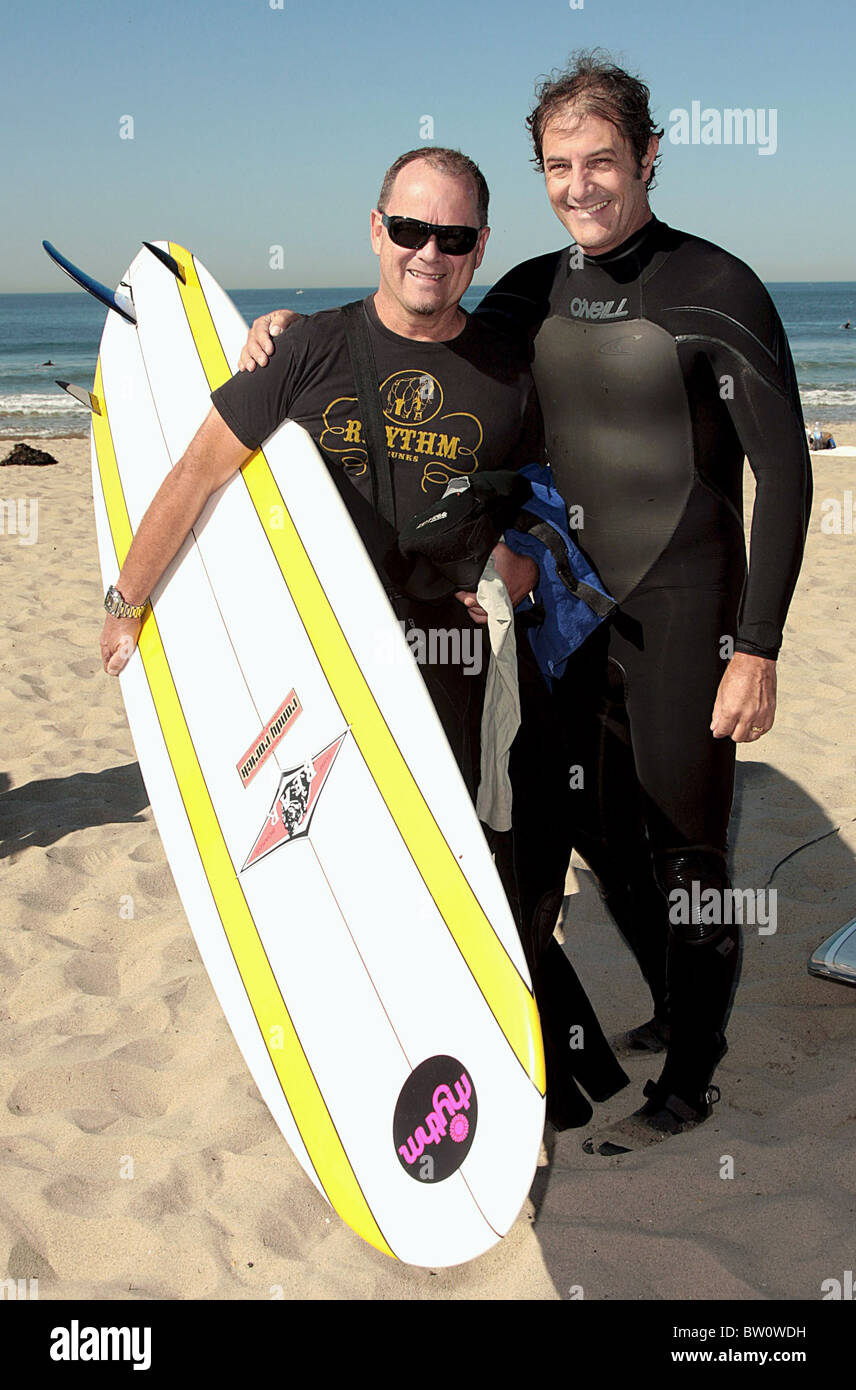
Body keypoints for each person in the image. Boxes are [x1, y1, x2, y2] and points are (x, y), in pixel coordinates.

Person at [243, 54, 813, 1154]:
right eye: (558, 164)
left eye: (602, 159)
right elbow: (418, 319)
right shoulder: (530, 290)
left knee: (685, 849)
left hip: (685, 609)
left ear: (648, 156)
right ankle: (643, 1013)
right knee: (575, 828)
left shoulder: (717, 286)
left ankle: (690, 1078)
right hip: (561, 616)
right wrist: (283, 333)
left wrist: (759, 647)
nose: (580, 183)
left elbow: (785, 478)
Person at [100, 146, 630, 1132]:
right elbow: (197, 474)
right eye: (411, 230)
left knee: (495, 882)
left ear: (478, 250)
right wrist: (128, 598)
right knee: (365, 876)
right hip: (334, 669)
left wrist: (520, 553)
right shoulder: (300, 350)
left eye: (455, 237)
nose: (429, 253)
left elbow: (565, 506)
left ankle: (526, 1076)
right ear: (375, 229)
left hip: (465, 671)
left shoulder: (515, 375)